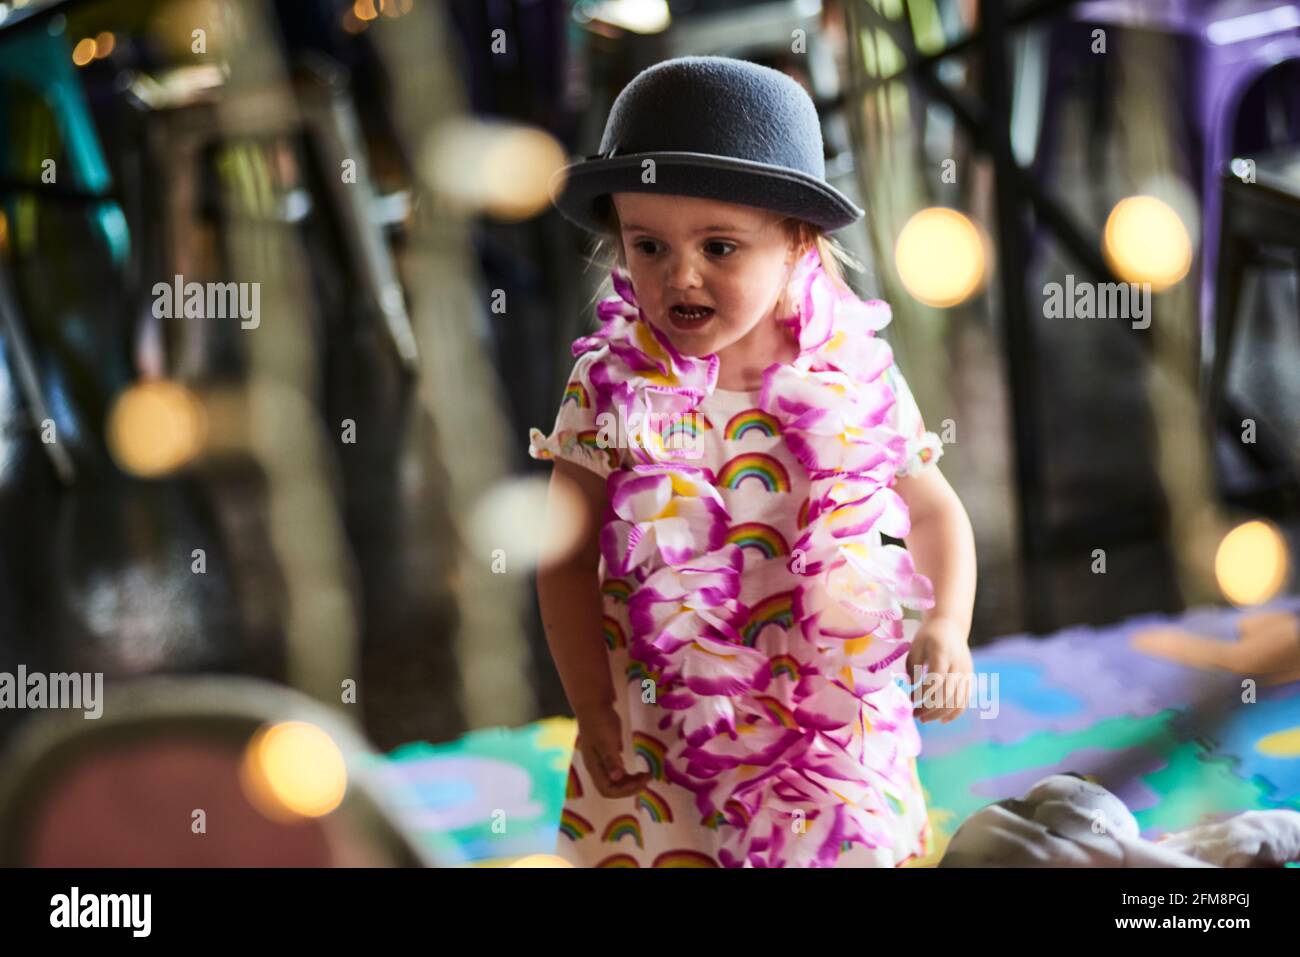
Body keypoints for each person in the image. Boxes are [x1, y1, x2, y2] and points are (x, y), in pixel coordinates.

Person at [530, 56, 977, 867]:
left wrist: (947, 624)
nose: (681, 275)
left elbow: (937, 509)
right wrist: (591, 705)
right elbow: (562, 553)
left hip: (829, 728)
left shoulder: (854, 374)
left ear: (798, 243)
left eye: (721, 246)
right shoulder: (607, 387)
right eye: (648, 245)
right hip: (668, 729)